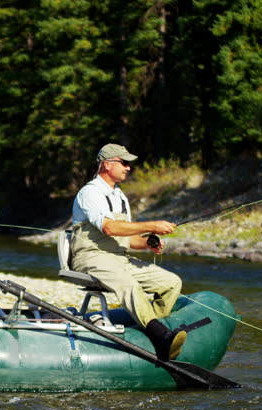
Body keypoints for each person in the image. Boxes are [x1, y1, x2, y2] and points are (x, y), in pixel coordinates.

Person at [70, 143, 185, 360]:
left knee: (172, 282)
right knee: (129, 284)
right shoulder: (90, 192)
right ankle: (161, 337)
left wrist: (147, 243)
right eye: (123, 163)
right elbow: (109, 228)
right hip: (90, 257)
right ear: (107, 164)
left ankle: (152, 331)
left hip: (119, 258)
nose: (128, 167)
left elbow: (127, 238)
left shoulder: (120, 197)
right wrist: (152, 225)